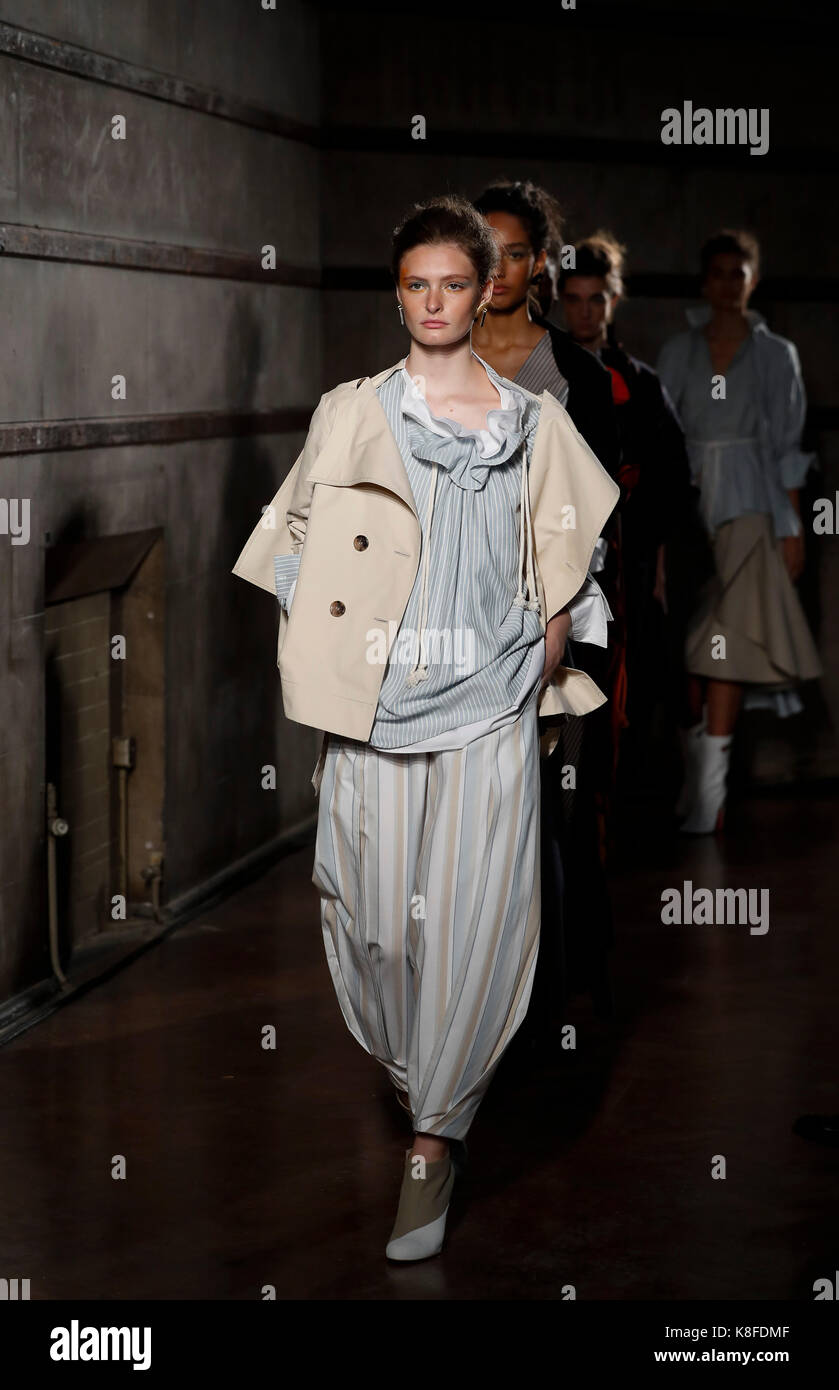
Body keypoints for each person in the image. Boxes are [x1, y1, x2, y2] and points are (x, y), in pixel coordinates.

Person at [232, 195, 619, 1262]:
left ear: (487, 284)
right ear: (397, 292)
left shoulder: (533, 423)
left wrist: (545, 641)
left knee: (470, 920)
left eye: (454, 282)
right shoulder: (351, 412)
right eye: (416, 283)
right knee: (374, 925)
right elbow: (294, 539)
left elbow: (573, 562)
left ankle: (432, 1144)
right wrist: (330, 632)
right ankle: (427, 1083)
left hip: (488, 704)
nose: (435, 301)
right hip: (375, 706)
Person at [472, 180, 620, 1019]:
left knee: (548, 812)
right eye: (482, 248)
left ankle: (548, 997)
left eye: (516, 250)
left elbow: (591, 519)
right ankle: (469, 1001)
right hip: (449, 626)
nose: (497, 267)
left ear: (538, 263)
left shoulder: (576, 378)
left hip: (552, 618)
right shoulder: (428, 365)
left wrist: (549, 616)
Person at [657, 229, 822, 833]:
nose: (729, 282)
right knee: (686, 647)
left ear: (754, 280)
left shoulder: (777, 354)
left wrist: (792, 524)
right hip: (689, 507)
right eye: (719, 271)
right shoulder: (677, 352)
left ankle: (708, 794)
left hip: (752, 505)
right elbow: (662, 440)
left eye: (740, 271)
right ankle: (698, 782)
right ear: (705, 281)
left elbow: (786, 444)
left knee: (723, 641)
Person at [557, 232, 700, 798]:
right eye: (575, 298)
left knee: (633, 678)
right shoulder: (546, 370)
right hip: (560, 552)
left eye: (598, 298)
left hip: (629, 554)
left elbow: (672, 478)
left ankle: (629, 808)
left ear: (614, 301)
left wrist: (658, 560)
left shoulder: (640, 383)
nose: (586, 311)